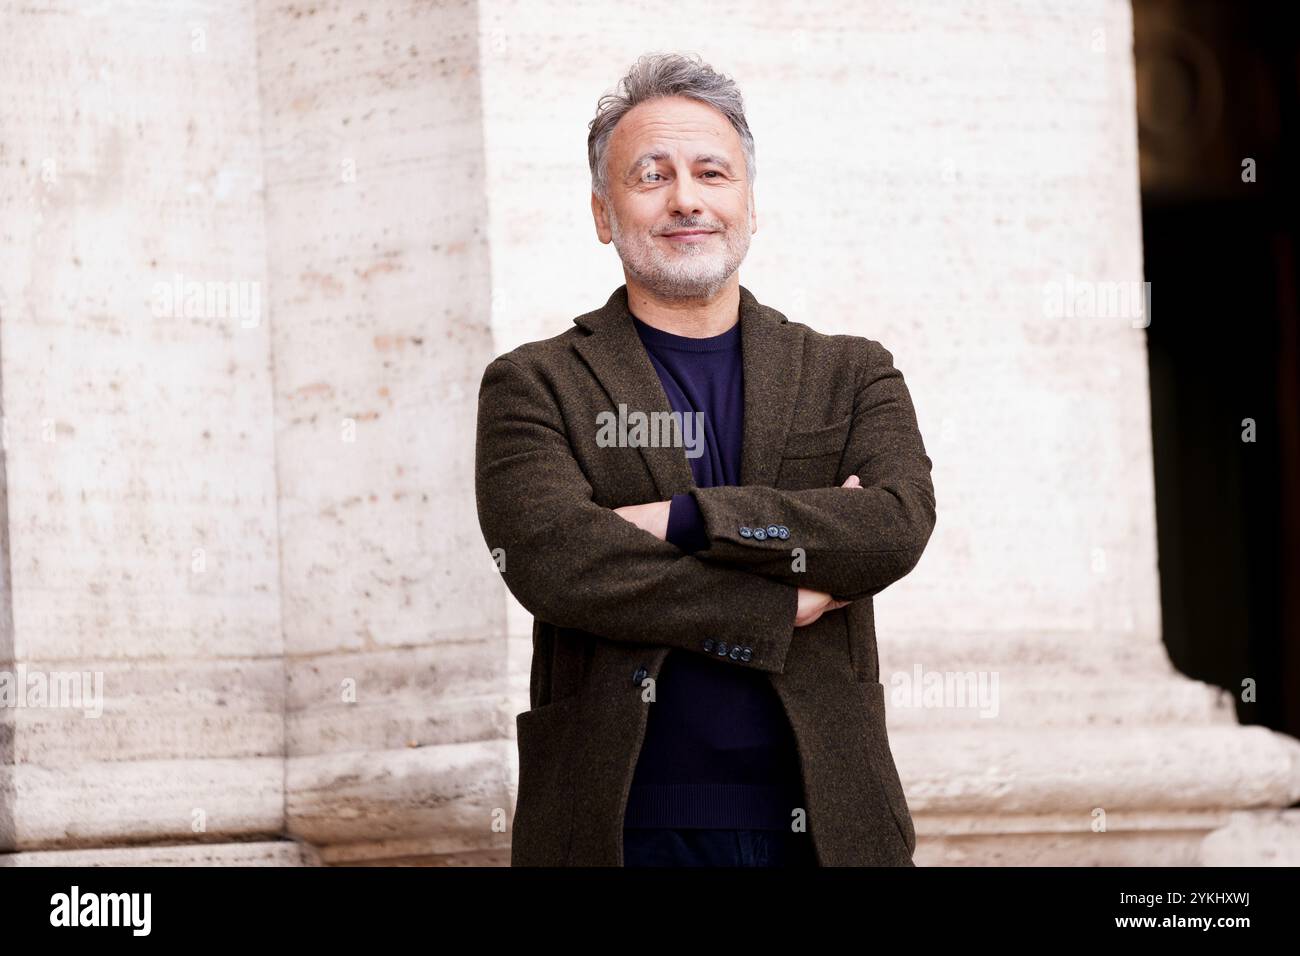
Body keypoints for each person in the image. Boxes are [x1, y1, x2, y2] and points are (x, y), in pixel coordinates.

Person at [475, 52, 935, 867]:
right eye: (651, 175)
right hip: (619, 825)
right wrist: (776, 601)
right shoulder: (534, 384)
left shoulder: (851, 370)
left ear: (747, 204)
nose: (685, 197)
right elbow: (555, 559)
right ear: (602, 213)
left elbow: (893, 524)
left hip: (829, 821)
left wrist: (683, 518)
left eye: (711, 173)